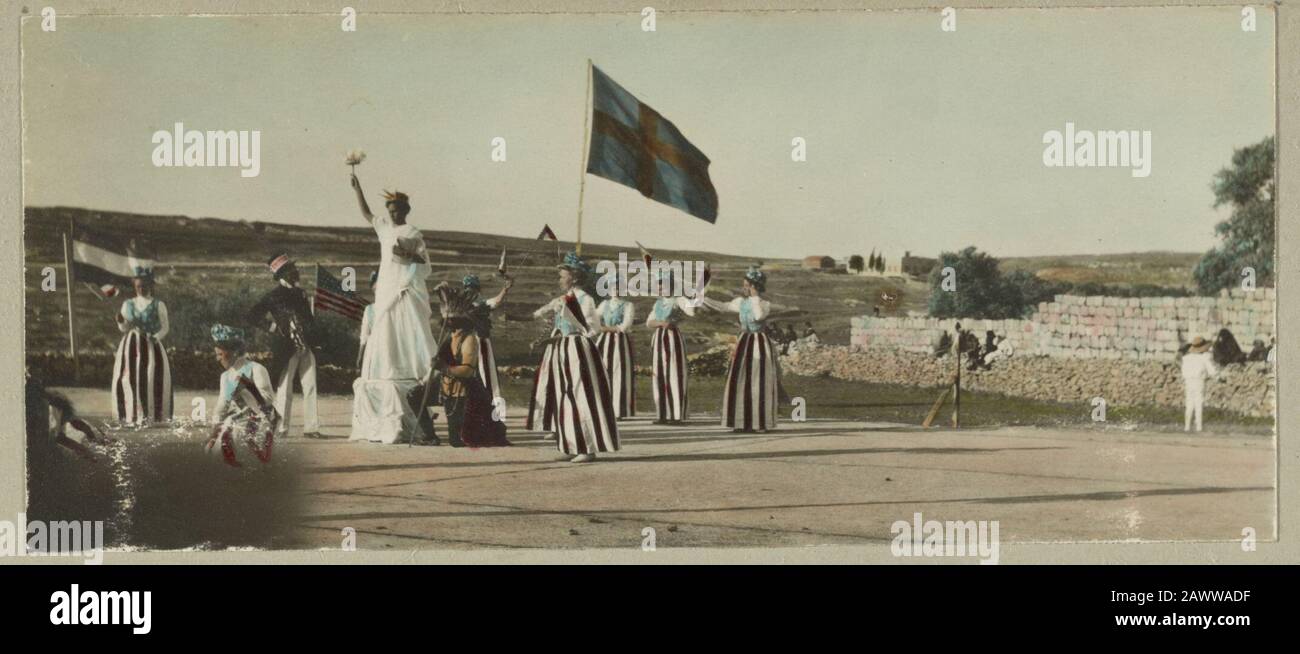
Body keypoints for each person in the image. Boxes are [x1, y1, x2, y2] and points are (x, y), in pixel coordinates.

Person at [348, 174, 437, 444]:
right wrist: (358, 188)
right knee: (384, 328)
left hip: (405, 286)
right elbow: (366, 213)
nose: (393, 214)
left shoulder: (413, 233)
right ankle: (386, 370)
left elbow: (423, 263)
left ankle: (408, 373)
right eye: (390, 210)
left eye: (397, 210)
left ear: (406, 211)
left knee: (407, 328)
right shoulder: (385, 228)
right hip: (386, 285)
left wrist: (409, 255)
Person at [526, 252, 620, 462]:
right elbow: (540, 313)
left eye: (562, 275)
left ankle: (587, 448)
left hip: (578, 350)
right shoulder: (562, 299)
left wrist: (570, 315)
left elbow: (592, 328)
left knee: (580, 396)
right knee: (565, 396)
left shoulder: (584, 299)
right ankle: (570, 444)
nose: (559, 279)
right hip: (563, 349)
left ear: (574, 278)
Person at [246, 254, 321, 439]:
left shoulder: (300, 293)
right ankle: (282, 429)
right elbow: (252, 316)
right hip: (286, 348)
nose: (296, 272)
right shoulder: (272, 296)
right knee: (285, 388)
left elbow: (309, 319)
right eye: (291, 270)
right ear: (283, 274)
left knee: (310, 386)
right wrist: (273, 327)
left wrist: (313, 337)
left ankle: (311, 428)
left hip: (306, 346)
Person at [700, 267, 778, 433]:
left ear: (755, 286)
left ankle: (759, 423)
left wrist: (755, 296)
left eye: (747, 285)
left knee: (758, 381)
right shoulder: (740, 302)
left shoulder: (765, 304)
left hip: (759, 342)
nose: (744, 288)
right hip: (744, 341)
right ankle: (740, 422)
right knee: (740, 380)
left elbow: (758, 317)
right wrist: (703, 298)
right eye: (744, 285)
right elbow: (723, 306)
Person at [434, 285, 510, 448]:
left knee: (491, 387)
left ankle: (494, 425)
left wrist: (504, 289)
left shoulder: (478, 314)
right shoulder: (451, 332)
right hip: (455, 376)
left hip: (474, 365)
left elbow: (496, 301)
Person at [206, 324, 278, 467]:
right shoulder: (225, 377)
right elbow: (221, 408)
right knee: (219, 445)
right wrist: (212, 437)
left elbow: (268, 401)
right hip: (237, 422)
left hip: (260, 422)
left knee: (244, 440)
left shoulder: (256, 369)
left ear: (232, 351)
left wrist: (245, 389)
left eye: (220, 354)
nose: (217, 359)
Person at [110, 266, 173, 425]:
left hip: (152, 347)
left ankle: (152, 416)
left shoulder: (158, 305)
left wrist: (156, 337)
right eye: (138, 286)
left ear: (151, 285)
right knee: (130, 379)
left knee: (151, 378)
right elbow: (124, 328)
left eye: (144, 286)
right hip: (131, 346)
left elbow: (165, 327)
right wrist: (120, 321)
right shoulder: (128, 304)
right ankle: (131, 415)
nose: (141, 289)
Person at [645, 271, 696, 424]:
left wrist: (689, 298)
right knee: (659, 374)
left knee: (674, 374)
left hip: (673, 339)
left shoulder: (678, 299)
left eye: (663, 285)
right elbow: (649, 322)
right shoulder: (658, 303)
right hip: (659, 339)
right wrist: (661, 323)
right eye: (659, 286)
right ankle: (662, 413)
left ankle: (676, 415)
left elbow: (691, 312)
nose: (660, 289)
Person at [460, 273, 512, 408]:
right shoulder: (460, 306)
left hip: (480, 340)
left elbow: (496, 301)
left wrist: (504, 290)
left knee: (486, 372)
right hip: (465, 342)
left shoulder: (481, 304)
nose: (469, 291)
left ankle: (492, 404)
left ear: (477, 290)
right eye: (467, 288)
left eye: (472, 288)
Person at [595, 286, 636, 419]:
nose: (616, 290)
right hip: (603, 341)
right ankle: (602, 409)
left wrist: (603, 328)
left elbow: (624, 326)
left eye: (619, 287)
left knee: (619, 373)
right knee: (601, 371)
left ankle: (618, 411)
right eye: (613, 287)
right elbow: (593, 319)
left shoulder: (628, 305)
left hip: (620, 342)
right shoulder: (604, 304)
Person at [1181, 336, 1219, 433]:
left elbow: (1183, 372)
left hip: (1188, 381)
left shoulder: (1186, 358)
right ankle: (1199, 426)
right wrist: (1218, 377)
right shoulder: (1204, 358)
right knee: (1199, 403)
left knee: (1189, 403)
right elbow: (1211, 371)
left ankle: (1187, 426)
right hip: (1199, 381)